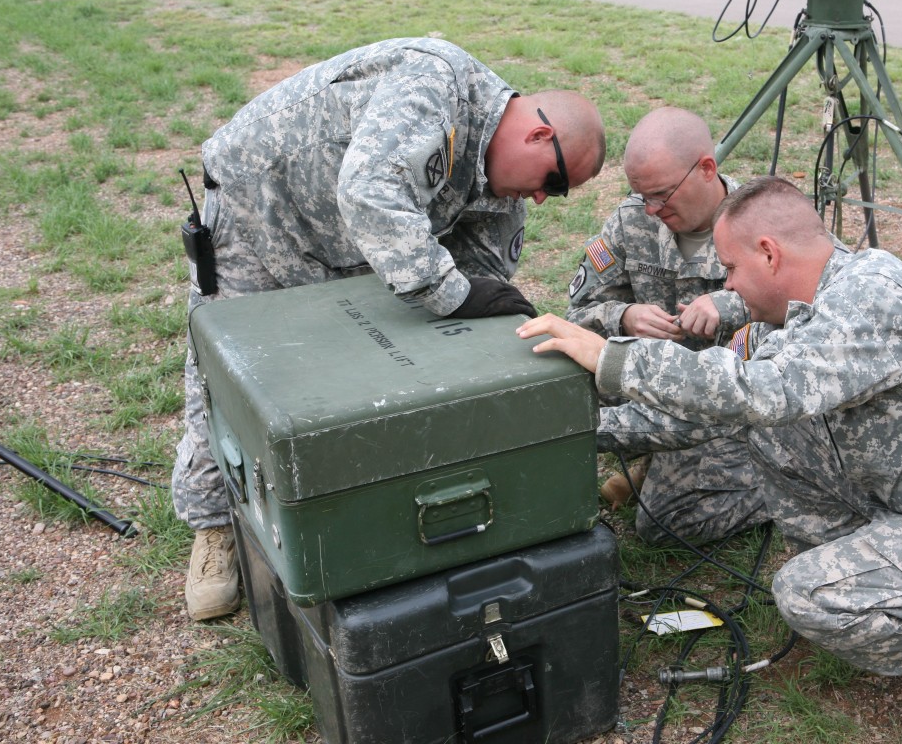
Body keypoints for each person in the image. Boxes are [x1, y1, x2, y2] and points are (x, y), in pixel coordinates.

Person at [517, 175, 902, 726]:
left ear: (770, 254)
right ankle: (878, 578)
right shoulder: (820, 303)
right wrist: (578, 433)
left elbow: (762, 389)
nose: (728, 288)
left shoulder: (870, 298)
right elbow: (726, 407)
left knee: (808, 595)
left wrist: (614, 358)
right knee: (766, 430)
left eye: (730, 270)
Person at [175, 37, 606, 622]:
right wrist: (451, 292)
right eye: (553, 182)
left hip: (350, 247)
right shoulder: (434, 82)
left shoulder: (501, 191)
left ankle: (344, 496)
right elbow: (371, 193)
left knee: (352, 370)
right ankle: (213, 527)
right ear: (536, 135)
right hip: (264, 213)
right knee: (232, 375)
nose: (539, 197)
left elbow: (481, 297)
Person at [565, 106, 763, 544]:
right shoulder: (632, 219)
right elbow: (576, 314)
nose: (651, 210)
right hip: (653, 381)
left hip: (732, 405)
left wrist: (731, 305)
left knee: (665, 523)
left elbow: (809, 308)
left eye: (661, 195)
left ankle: (782, 484)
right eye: (643, 195)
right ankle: (658, 458)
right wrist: (624, 316)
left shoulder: (764, 219)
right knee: (558, 389)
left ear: (706, 169)